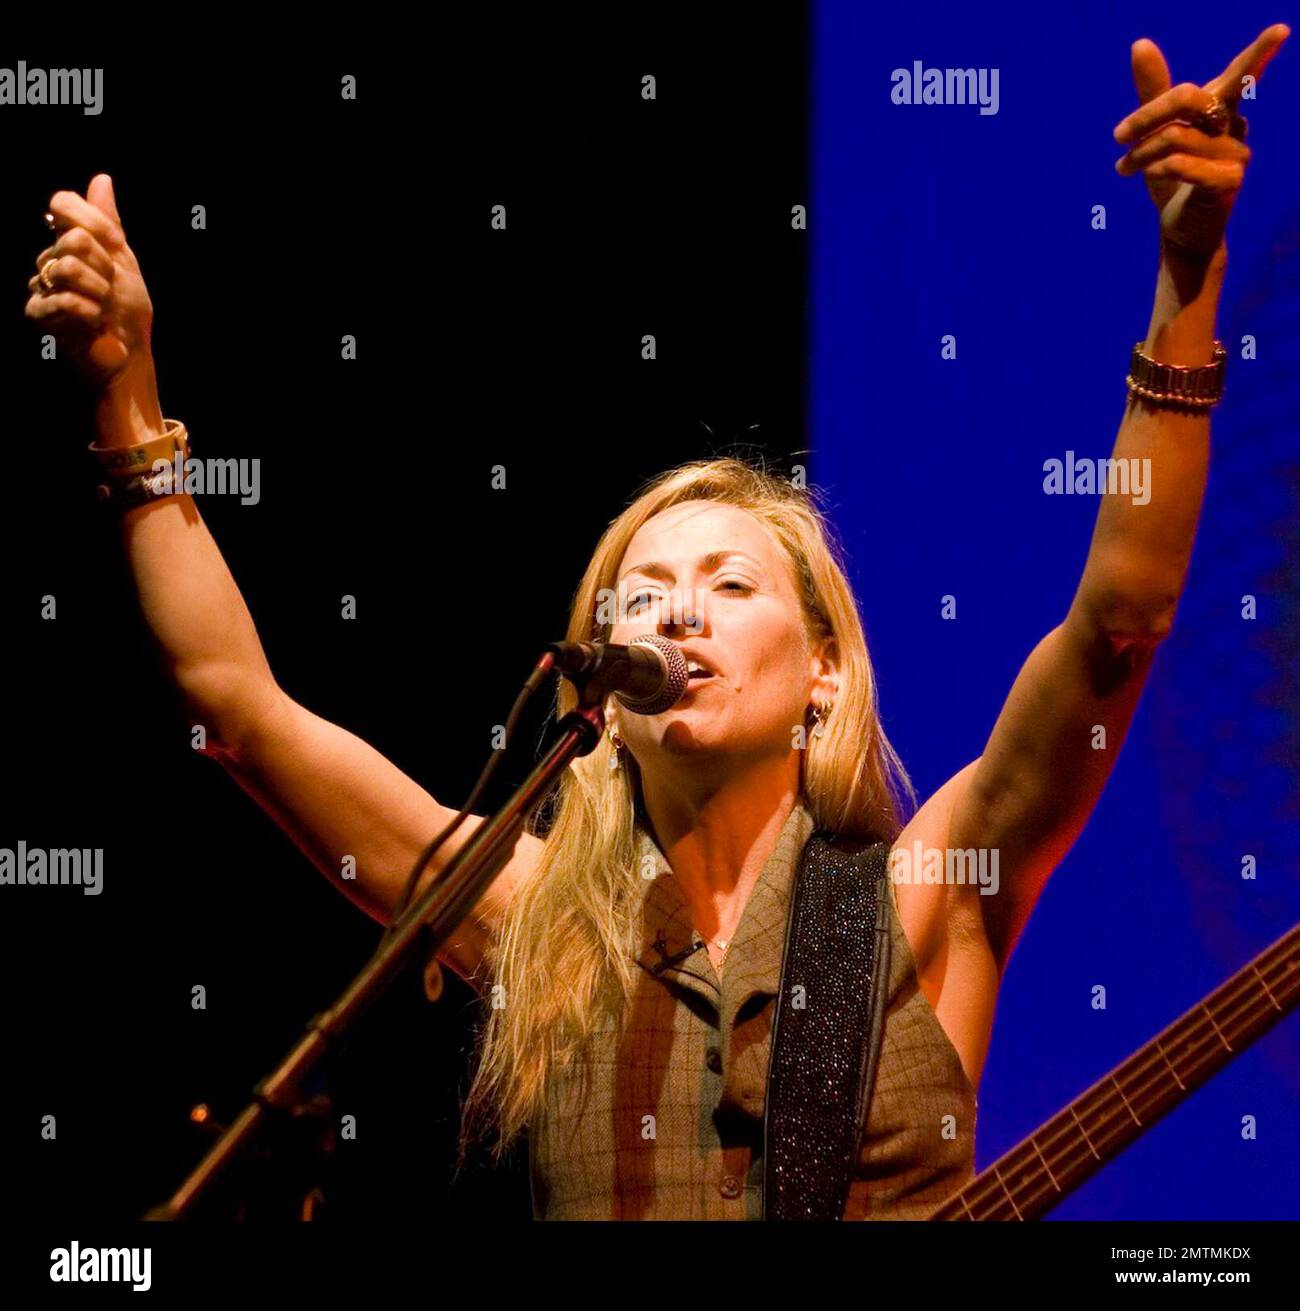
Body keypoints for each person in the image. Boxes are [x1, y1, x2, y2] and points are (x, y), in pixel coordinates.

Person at [24, 26, 1289, 1220]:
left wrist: (1188, 278)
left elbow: (1120, 618)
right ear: (602, 695)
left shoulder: (933, 886)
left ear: (825, 676)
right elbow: (236, 706)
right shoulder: (528, 918)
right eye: (641, 594)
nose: (676, 608)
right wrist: (128, 400)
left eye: (731, 585)